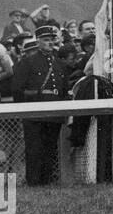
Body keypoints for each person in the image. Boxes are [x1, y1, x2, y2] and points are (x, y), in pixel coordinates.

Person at [11, 27, 70, 185]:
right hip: (34, 112)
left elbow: (64, 89)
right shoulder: (27, 62)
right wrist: (27, 105)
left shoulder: (59, 63)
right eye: (46, 40)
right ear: (38, 42)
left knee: (50, 147)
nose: (50, 43)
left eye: (52, 39)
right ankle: (33, 182)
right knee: (34, 148)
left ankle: (46, 181)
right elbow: (17, 89)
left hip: (54, 112)